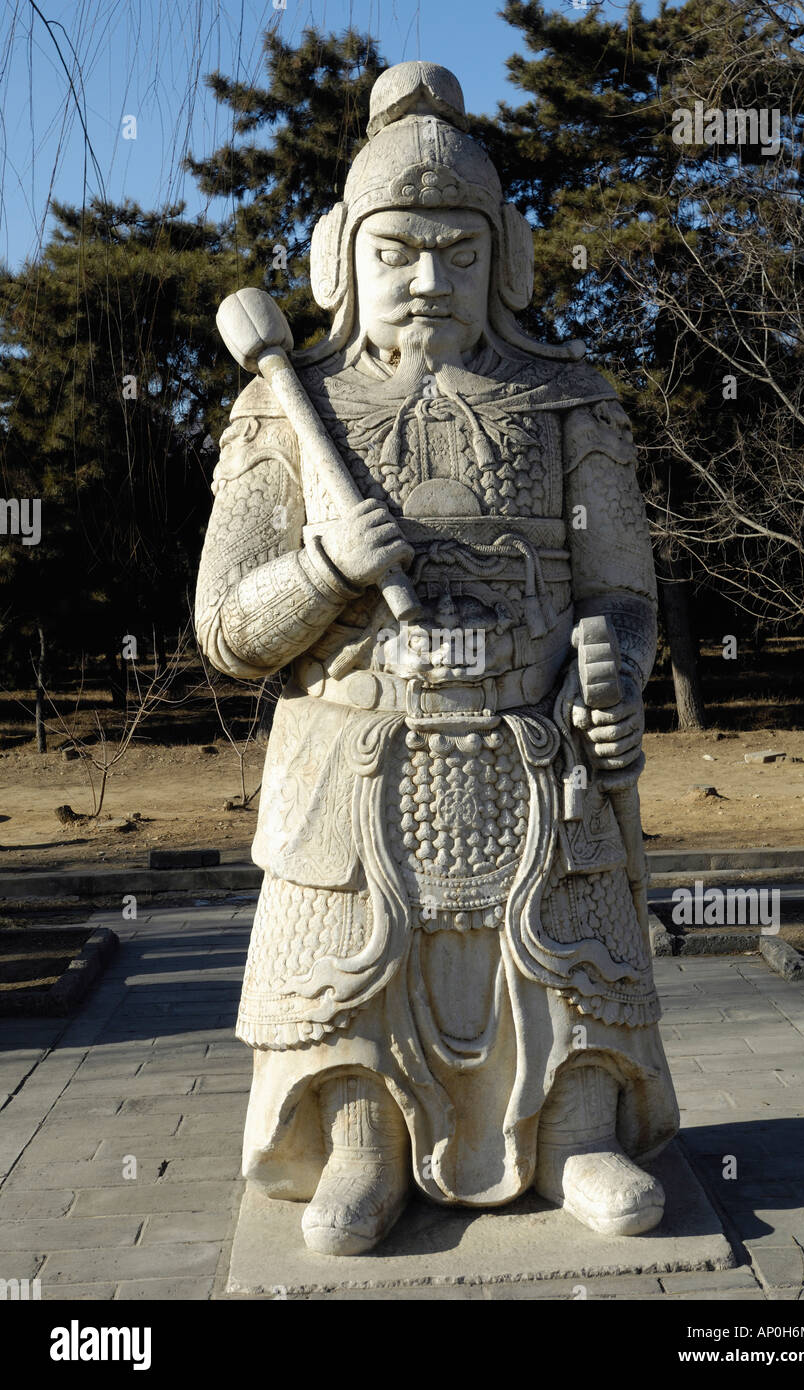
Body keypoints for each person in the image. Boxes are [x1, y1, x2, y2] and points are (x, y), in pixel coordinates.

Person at [195, 61, 679, 1257]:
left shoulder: (570, 404)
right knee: (357, 954)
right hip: (356, 750)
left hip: (528, 742)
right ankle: (362, 1137)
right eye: (396, 250)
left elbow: (621, 597)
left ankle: (575, 1129)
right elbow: (224, 629)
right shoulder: (284, 406)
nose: (425, 277)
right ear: (339, 259)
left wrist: (604, 676)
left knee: (555, 952)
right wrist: (322, 571)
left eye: (456, 251)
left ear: (503, 258)